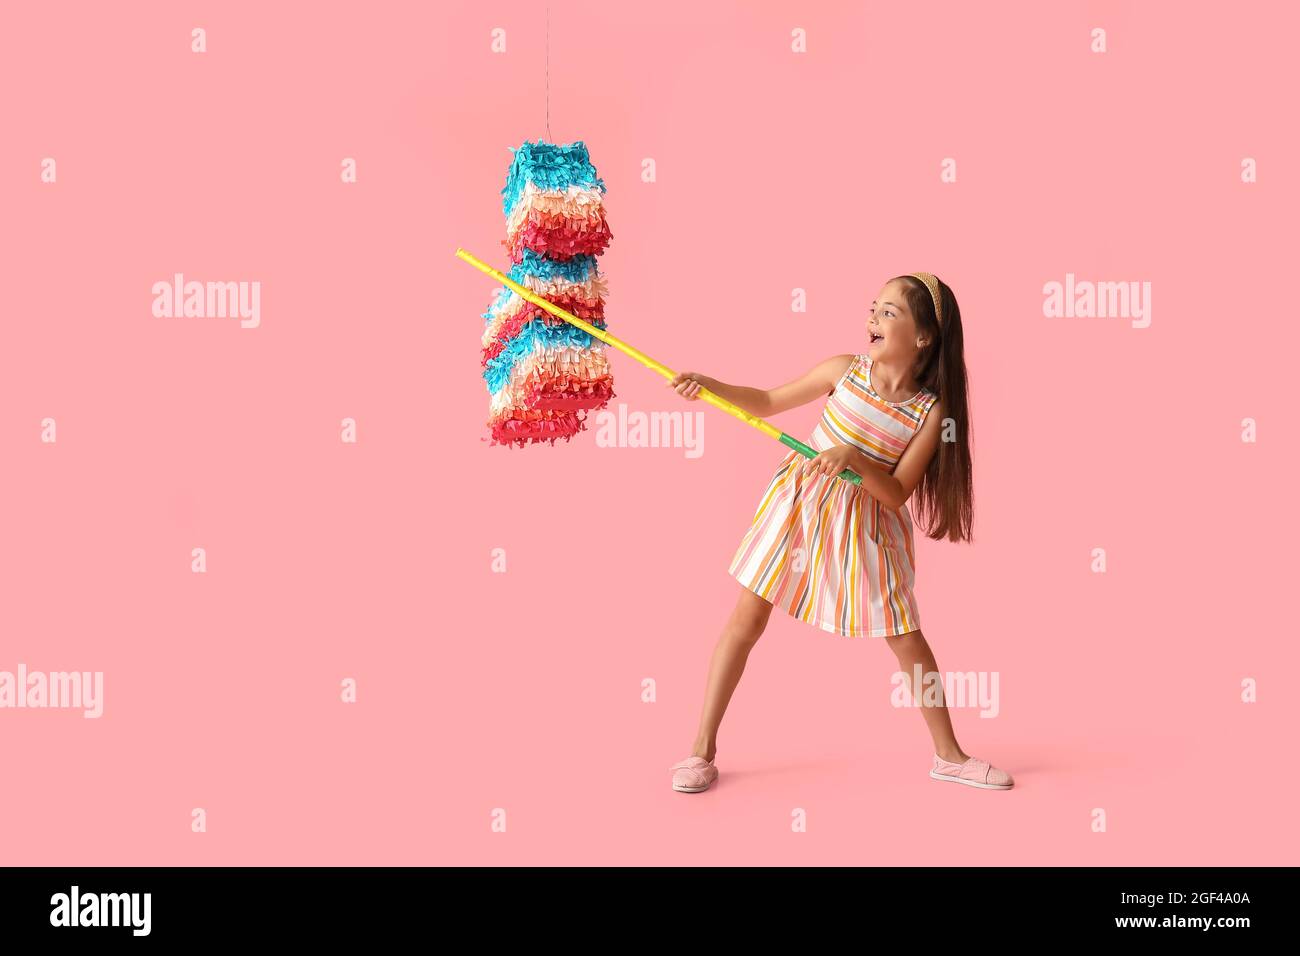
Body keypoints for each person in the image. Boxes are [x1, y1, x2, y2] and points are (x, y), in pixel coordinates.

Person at [666, 273, 1013, 793]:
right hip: (799, 507)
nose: (873, 318)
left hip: (866, 522)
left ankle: (950, 755)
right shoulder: (842, 371)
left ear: (923, 338)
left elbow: (896, 492)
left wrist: (853, 459)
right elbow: (764, 400)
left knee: (904, 635)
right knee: (746, 618)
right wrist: (710, 385)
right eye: (873, 308)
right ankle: (701, 750)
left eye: (890, 312)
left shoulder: (931, 412)